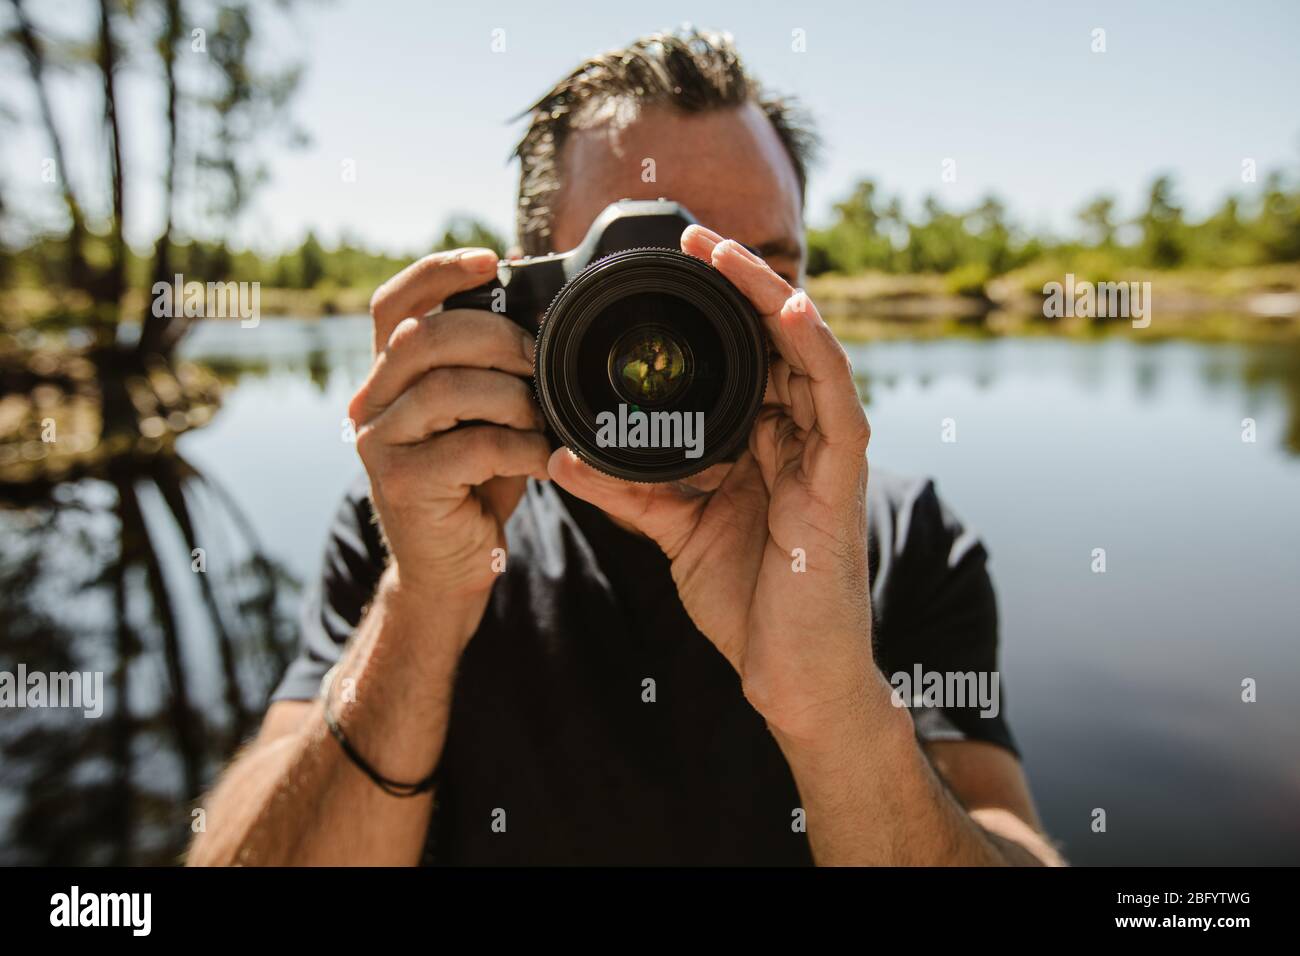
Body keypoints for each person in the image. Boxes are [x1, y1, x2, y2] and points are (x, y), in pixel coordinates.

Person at [188, 28, 1061, 866]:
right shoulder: (418, 524)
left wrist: (837, 714)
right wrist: (423, 606)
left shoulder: (901, 541)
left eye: (759, 272)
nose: (701, 330)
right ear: (530, 301)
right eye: (644, 275)